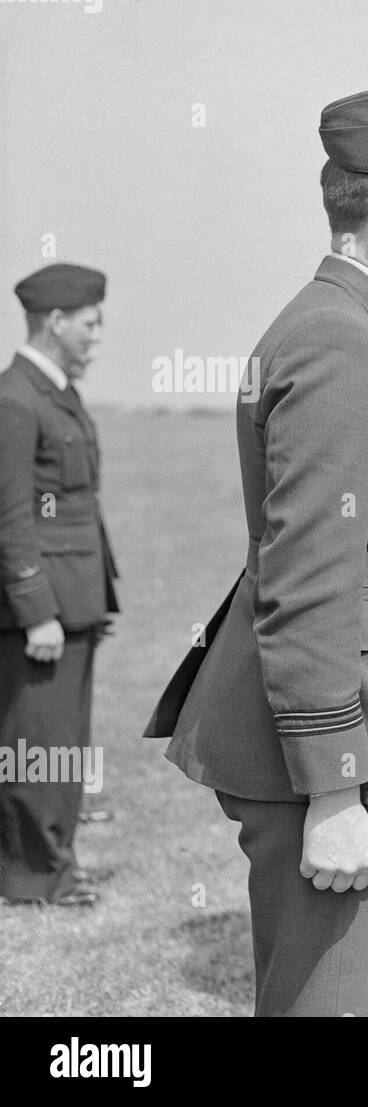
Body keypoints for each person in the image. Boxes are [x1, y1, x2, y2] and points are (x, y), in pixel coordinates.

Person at [144, 88, 368, 1016]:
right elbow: (307, 577)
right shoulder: (342, 339)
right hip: (352, 759)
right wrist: (334, 793)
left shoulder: (360, 328)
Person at [0, 264, 119, 908]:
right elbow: (10, 515)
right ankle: (32, 874)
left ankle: (54, 863)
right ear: (55, 323)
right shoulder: (16, 399)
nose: (99, 336)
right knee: (34, 747)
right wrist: (36, 610)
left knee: (64, 745)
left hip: (74, 600)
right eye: (91, 324)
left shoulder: (55, 393)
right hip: (42, 610)